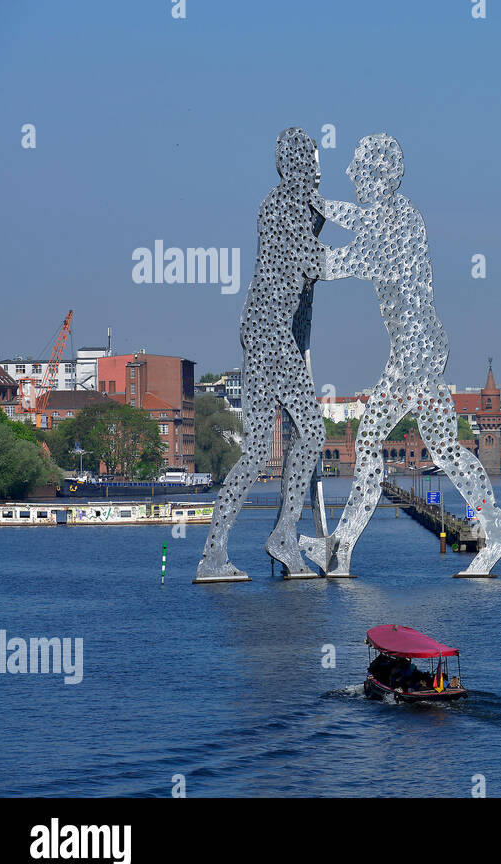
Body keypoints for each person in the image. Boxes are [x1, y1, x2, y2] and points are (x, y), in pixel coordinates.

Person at [299, 134, 501, 578]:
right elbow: (359, 219)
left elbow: (353, 259)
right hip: (417, 350)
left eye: (357, 169)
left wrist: (303, 258)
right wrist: (318, 203)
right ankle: (494, 526)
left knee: (373, 443)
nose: (350, 175)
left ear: (378, 175)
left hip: (414, 355)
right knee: (439, 448)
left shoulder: (400, 222)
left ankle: (340, 549)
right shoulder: (389, 214)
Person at [195, 127, 327, 581]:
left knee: (286, 439)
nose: (318, 170)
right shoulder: (281, 206)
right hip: (269, 332)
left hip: (269, 332)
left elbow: (306, 276)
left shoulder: (287, 206)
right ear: (293, 165)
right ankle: (248, 545)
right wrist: (366, 248)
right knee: (298, 436)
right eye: (312, 161)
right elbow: (314, 264)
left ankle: (257, 543)